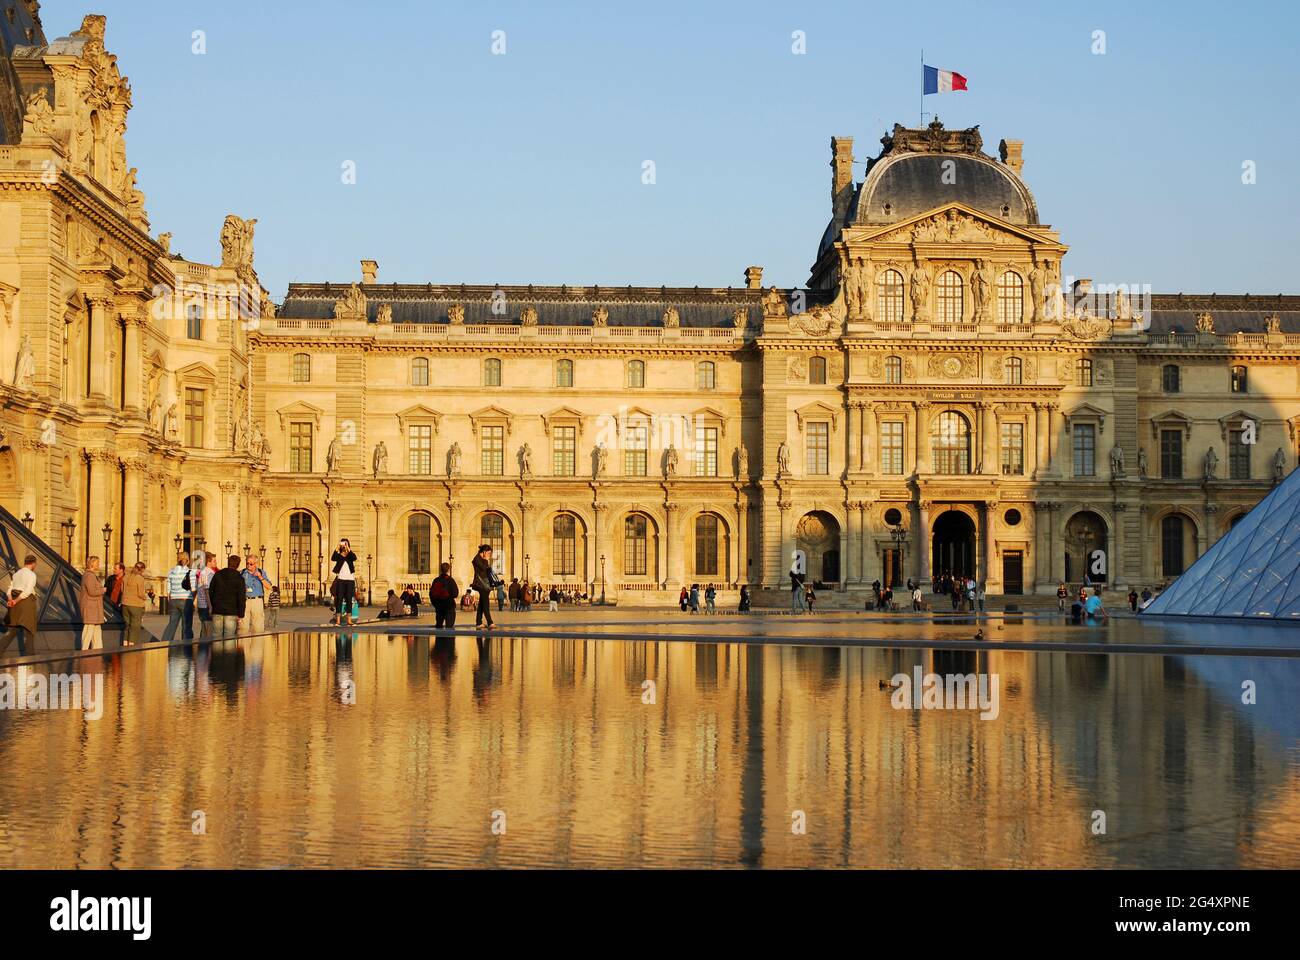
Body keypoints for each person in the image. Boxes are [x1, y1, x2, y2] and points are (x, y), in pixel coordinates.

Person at [0, 554, 40, 657]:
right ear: (33, 564)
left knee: (13, 629)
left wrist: (11, 600)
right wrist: (16, 601)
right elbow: (27, 591)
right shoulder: (31, 575)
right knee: (29, 628)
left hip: (15, 602)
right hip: (26, 603)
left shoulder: (17, 574)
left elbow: (10, 589)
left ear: (25, 562)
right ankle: (30, 655)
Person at [209, 555, 247, 639]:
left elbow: (211, 591)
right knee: (229, 638)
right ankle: (228, 652)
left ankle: (217, 652)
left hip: (217, 610)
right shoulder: (239, 578)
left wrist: (214, 604)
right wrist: (241, 614)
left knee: (216, 637)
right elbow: (241, 597)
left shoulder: (218, 574)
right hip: (231, 611)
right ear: (238, 565)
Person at [161, 550, 193, 644]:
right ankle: (186, 645)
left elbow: (168, 585)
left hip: (173, 599)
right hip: (185, 599)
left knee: (172, 624)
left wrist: (169, 596)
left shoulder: (171, 571)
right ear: (187, 560)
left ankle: (164, 643)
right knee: (186, 625)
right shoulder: (189, 572)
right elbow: (193, 587)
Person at [79, 556, 106, 651]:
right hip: (90, 607)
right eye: (97, 563)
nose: (99, 564)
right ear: (92, 564)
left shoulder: (91, 575)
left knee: (97, 629)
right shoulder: (89, 576)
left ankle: (98, 649)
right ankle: (84, 649)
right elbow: (92, 591)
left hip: (94, 607)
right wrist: (103, 590)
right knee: (89, 629)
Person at [121, 562, 152, 645]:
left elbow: (122, 590)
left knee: (127, 625)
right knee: (135, 626)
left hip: (125, 604)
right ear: (142, 569)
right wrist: (146, 597)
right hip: (136, 605)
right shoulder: (140, 578)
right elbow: (140, 594)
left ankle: (125, 644)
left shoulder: (125, 576)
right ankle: (131, 646)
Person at [241, 554, 272, 635]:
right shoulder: (242, 573)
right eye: (247, 563)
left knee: (258, 627)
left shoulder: (261, 572)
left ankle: (257, 645)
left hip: (257, 601)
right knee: (243, 627)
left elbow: (269, 586)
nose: (248, 565)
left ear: (255, 564)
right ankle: (244, 646)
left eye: (251, 564)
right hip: (245, 600)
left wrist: (260, 577)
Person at [330, 539, 358, 626]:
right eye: (343, 543)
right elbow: (333, 558)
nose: (344, 545)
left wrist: (348, 549)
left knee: (349, 600)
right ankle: (338, 621)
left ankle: (349, 621)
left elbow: (354, 558)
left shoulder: (350, 555)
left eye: (346, 544)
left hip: (350, 580)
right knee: (339, 599)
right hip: (341, 580)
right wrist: (337, 547)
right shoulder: (339, 555)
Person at [471, 544, 495, 629]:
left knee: (481, 603)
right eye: (488, 553)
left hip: (485, 583)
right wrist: (486, 560)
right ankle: (490, 622)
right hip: (481, 584)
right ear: (484, 552)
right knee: (486, 603)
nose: (489, 555)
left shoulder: (481, 559)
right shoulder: (477, 559)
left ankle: (478, 622)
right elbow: (484, 568)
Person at [196, 552, 217, 641]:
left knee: (204, 631)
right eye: (214, 561)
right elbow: (207, 591)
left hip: (201, 605)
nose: (216, 562)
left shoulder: (203, 572)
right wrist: (211, 606)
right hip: (206, 605)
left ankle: (203, 652)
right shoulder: (208, 574)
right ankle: (206, 653)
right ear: (209, 561)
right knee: (208, 633)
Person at [430, 562, 458, 628]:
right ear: (448, 570)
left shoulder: (436, 580)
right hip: (449, 605)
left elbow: (431, 594)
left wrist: (435, 604)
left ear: (440, 569)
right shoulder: (450, 580)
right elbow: (455, 594)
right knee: (449, 627)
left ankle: (439, 638)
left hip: (439, 606)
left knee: (439, 626)